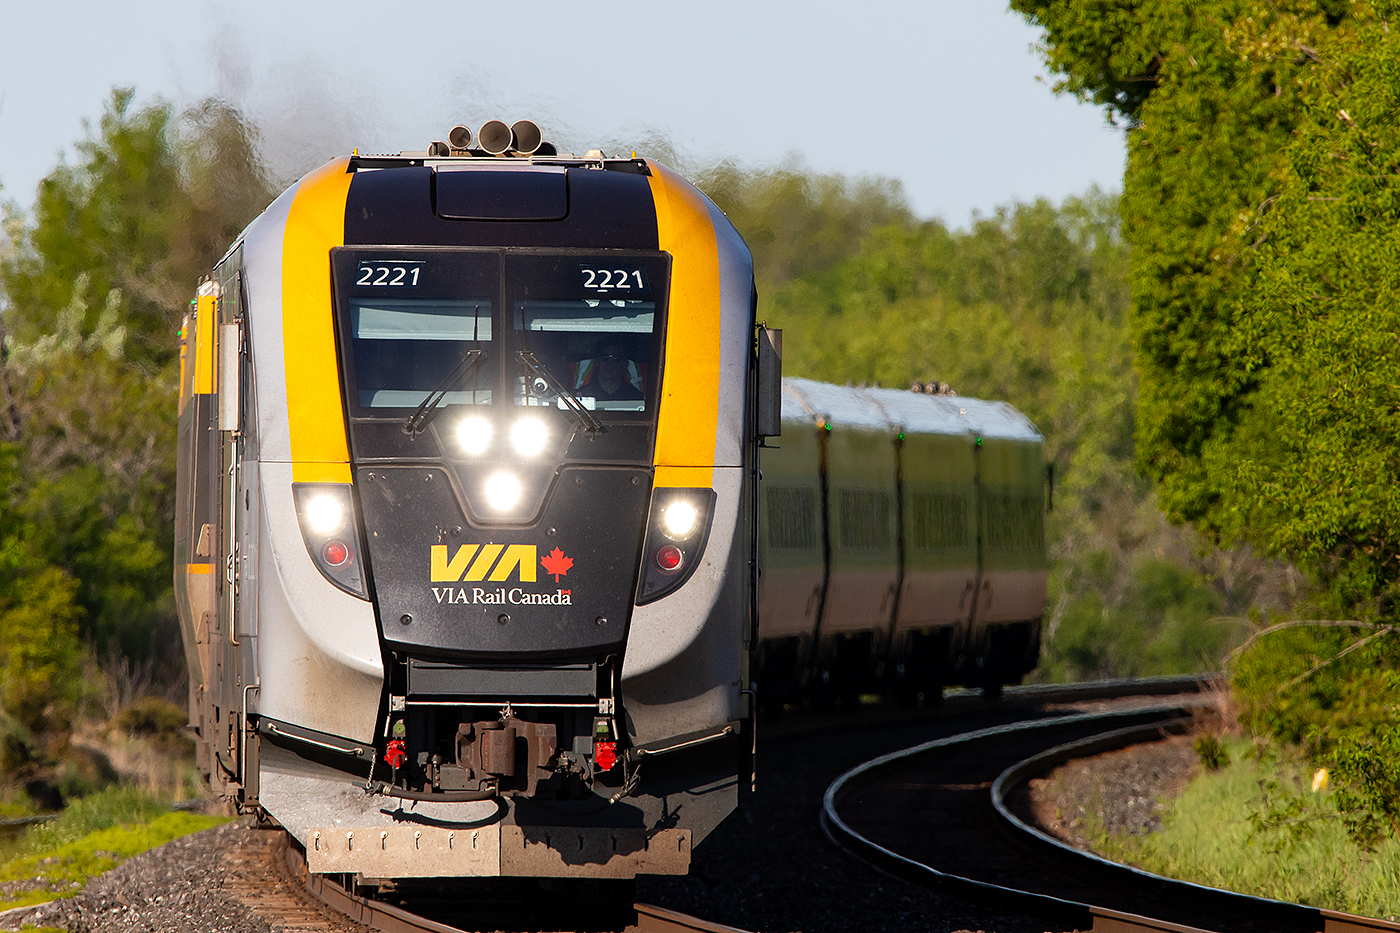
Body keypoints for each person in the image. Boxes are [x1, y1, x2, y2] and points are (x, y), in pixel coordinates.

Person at [573, 340, 644, 401]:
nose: (610, 363)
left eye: (616, 358)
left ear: (625, 364)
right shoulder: (581, 395)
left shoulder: (635, 397)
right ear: (597, 362)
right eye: (605, 358)